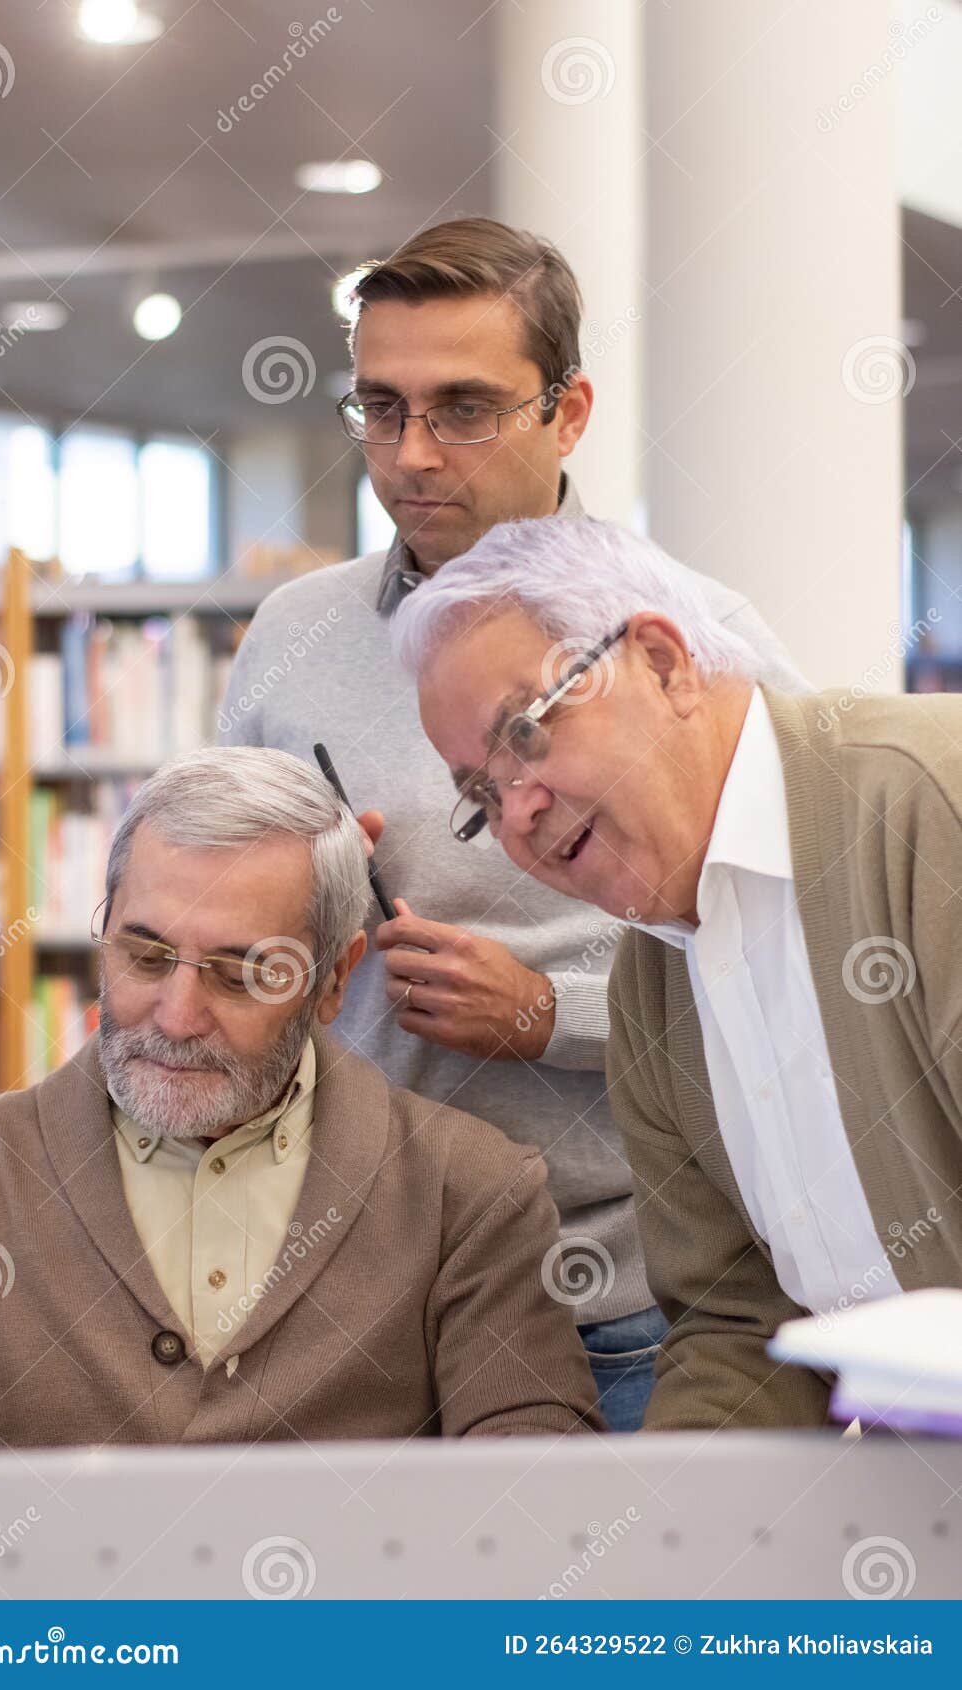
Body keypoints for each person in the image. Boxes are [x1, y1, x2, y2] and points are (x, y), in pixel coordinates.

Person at [218, 216, 804, 1429]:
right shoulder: (292, 634)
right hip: (354, 1289)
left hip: (620, 1302)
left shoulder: (699, 642)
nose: (411, 455)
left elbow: (802, 974)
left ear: (567, 411)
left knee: (602, 1628)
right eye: (379, 408)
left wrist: (548, 1018)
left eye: (464, 409)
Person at [391, 510, 962, 1430]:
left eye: (526, 737)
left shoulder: (929, 809)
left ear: (662, 662)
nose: (520, 811)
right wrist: (672, 1543)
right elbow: (737, 1322)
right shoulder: (652, 981)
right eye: (480, 796)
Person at [0, 748, 602, 1449]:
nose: (175, 1017)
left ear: (333, 981)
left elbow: (533, 1498)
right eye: (145, 956)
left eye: (238, 975)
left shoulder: (470, 1192)